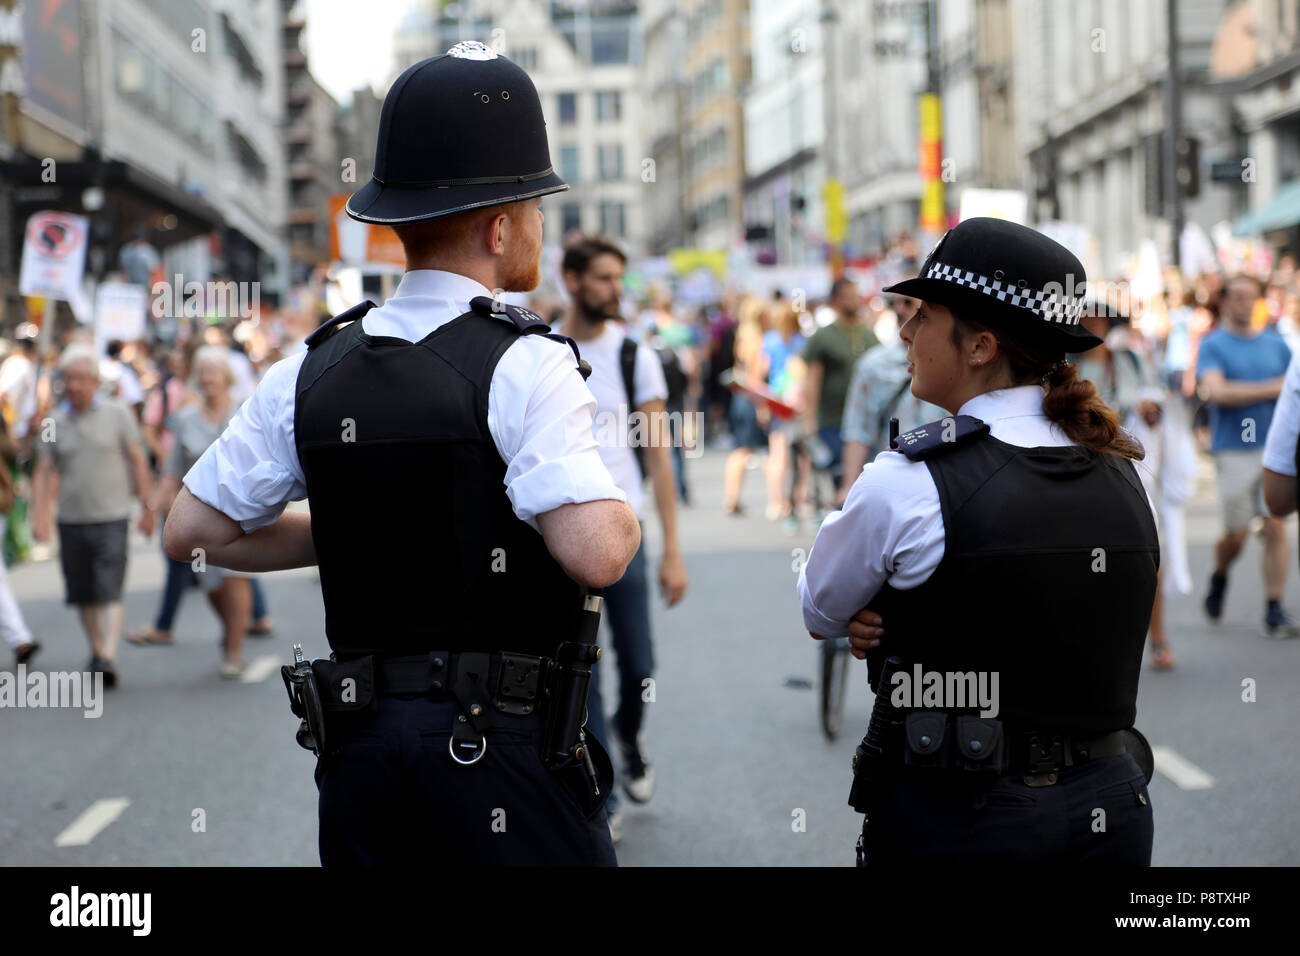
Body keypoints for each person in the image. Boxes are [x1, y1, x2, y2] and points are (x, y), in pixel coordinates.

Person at [165, 42, 640, 866]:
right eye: (534, 206)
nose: (539, 224)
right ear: (500, 227)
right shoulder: (528, 361)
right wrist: (624, 518)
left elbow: (192, 533)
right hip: (500, 755)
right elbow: (593, 552)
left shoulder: (308, 368)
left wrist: (361, 525)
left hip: (363, 759)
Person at [798, 218, 1158, 865]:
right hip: (1114, 806)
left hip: (970, 817)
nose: (905, 331)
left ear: (980, 346)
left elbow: (820, 608)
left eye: (925, 316)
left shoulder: (910, 481)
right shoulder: (1124, 467)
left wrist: (887, 610)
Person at [557, 234, 688, 841]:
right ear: (572, 279)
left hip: (626, 533)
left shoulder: (636, 356)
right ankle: (601, 795)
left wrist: (674, 552)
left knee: (639, 665)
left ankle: (631, 739)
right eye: (604, 278)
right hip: (560, 538)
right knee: (580, 670)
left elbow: (659, 459)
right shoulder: (542, 349)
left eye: (619, 279)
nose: (615, 290)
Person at [32, 344, 155, 687]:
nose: (74, 385)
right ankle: (98, 650)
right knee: (83, 591)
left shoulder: (118, 414)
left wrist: (147, 506)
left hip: (112, 515)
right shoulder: (53, 422)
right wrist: (39, 516)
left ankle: (108, 655)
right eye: (68, 378)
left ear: (95, 381)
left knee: (108, 589)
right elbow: (43, 471)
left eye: (81, 379)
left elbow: (137, 460)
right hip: (71, 518)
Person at [137, 347, 254, 677]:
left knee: (237, 579)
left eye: (213, 372)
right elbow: (172, 472)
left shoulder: (245, 412)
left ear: (226, 378)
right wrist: (153, 509)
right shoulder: (186, 419)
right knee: (212, 586)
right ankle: (231, 627)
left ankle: (234, 651)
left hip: (243, 510)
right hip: (203, 517)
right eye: (202, 373)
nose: (207, 379)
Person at [1195, 274, 1298, 637]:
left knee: (1275, 524)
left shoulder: (1277, 345)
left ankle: (1273, 607)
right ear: (1224, 302)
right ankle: (1220, 573)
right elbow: (1218, 392)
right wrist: (1272, 387)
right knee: (1235, 534)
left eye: (1248, 297)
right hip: (1233, 448)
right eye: (1235, 296)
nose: (1241, 303)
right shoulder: (1213, 344)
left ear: (1257, 301)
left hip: (1274, 448)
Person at [800, 277, 878, 490]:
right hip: (832, 421)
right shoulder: (823, 337)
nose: (853, 301)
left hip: (864, 423)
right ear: (835, 300)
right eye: (847, 297)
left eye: (855, 295)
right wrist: (810, 421)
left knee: (864, 479)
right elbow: (812, 380)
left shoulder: (869, 336)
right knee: (841, 478)